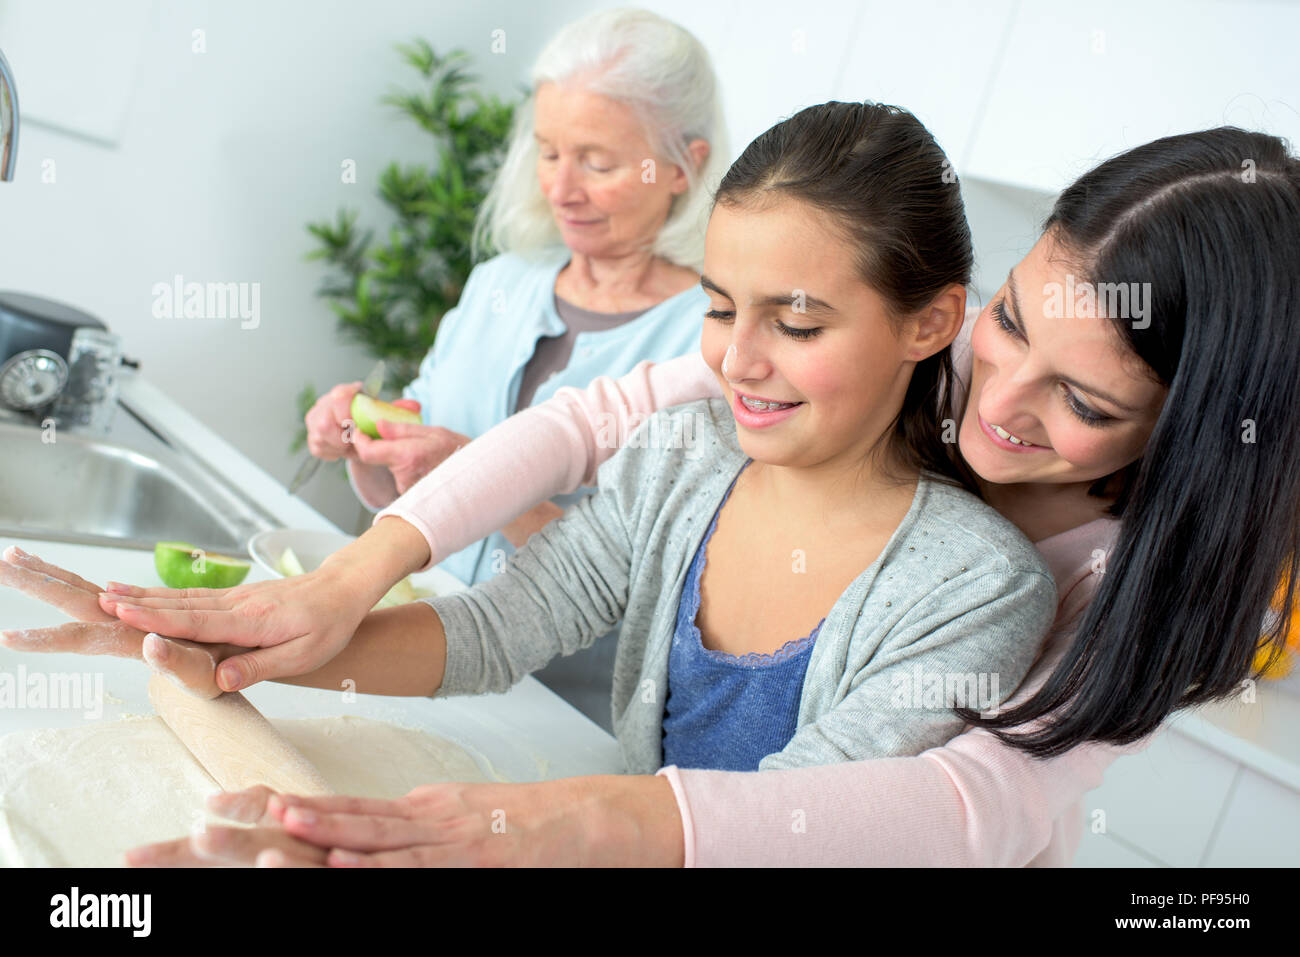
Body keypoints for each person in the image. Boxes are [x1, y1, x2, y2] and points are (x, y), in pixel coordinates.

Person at [8, 126, 1299, 867]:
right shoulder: (734, 437)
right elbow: (556, 518)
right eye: (1010, 326)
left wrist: (570, 824)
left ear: (1192, 443)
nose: (1001, 399)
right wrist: (310, 606)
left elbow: (943, 806)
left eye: (1085, 403)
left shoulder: (1023, 585)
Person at [303, 8, 728, 725]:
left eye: (598, 161)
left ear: (686, 165)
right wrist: (365, 444)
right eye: (549, 151)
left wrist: (482, 481)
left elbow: (660, 594)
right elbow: (402, 486)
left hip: (555, 716)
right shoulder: (501, 283)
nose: (561, 187)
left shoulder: (711, 346)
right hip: (410, 661)